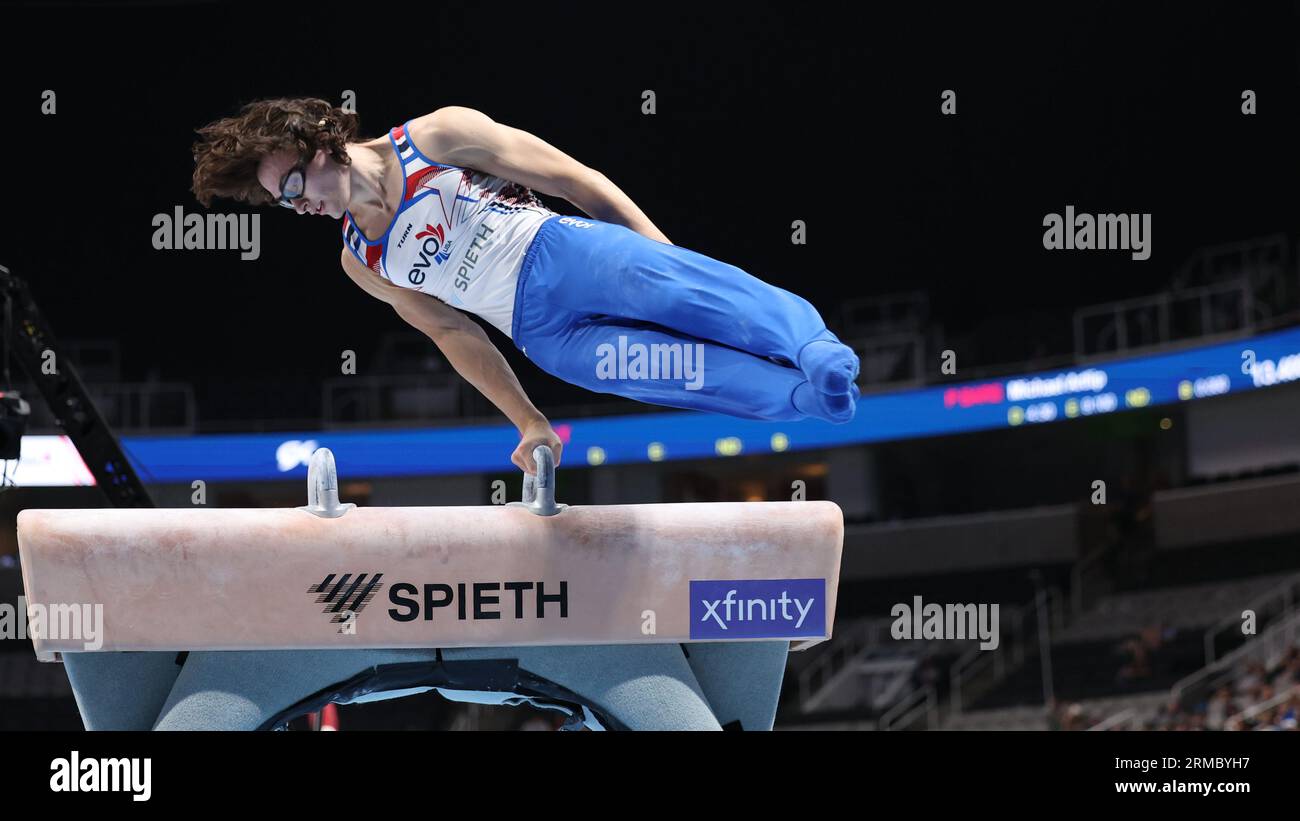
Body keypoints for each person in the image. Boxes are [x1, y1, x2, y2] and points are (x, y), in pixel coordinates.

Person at [191, 99, 860, 473]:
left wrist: (663, 259)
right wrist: (529, 419)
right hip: (545, 336)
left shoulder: (436, 137)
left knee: (700, 297)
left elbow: (574, 178)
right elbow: (455, 331)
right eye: (283, 204)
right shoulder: (361, 260)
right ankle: (804, 397)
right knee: (678, 372)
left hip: (560, 253)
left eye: (295, 188)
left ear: (320, 145)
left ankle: (813, 348)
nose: (297, 207)